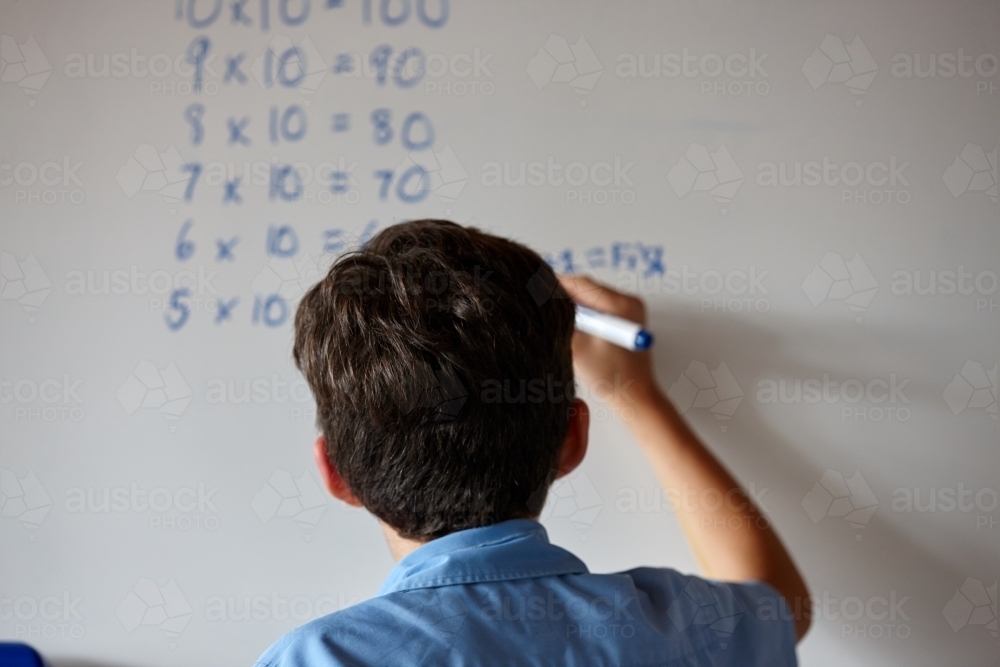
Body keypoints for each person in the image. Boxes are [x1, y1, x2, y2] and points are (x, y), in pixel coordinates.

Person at [255, 219, 810, 666]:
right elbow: (780, 603)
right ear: (573, 438)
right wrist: (636, 394)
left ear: (335, 473)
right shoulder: (678, 629)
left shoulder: (318, 658)